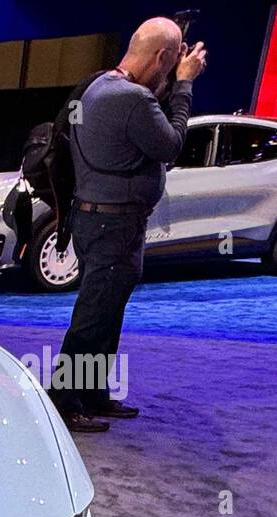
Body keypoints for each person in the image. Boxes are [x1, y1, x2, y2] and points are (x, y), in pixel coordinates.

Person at [49, 17, 206, 432]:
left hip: (99, 221)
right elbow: (170, 144)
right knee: (95, 315)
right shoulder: (134, 100)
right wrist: (185, 85)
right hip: (112, 227)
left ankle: (92, 392)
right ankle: (64, 400)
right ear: (162, 57)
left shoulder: (99, 85)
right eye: (172, 62)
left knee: (106, 312)